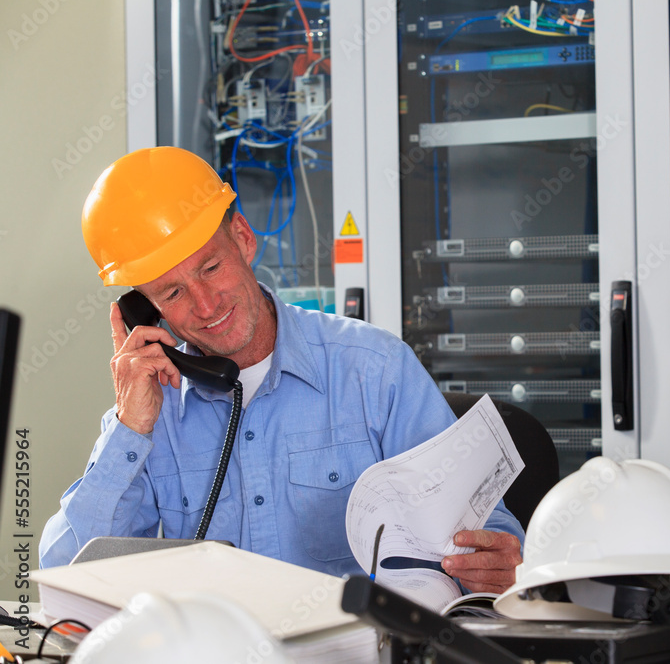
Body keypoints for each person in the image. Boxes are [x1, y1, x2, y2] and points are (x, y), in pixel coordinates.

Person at [39, 147, 524, 594]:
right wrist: (129, 427)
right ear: (142, 313)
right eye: (172, 293)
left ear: (244, 239)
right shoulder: (149, 411)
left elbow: (484, 537)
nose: (206, 305)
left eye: (210, 268)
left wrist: (497, 565)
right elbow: (64, 577)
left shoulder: (374, 369)